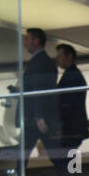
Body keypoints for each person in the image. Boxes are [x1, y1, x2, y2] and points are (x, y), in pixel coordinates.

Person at [22, 27, 60, 162]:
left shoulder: (40, 62)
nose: (24, 43)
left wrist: (39, 117)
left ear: (36, 41)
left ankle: (72, 175)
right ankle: (71, 175)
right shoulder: (40, 61)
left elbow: (40, 89)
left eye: (27, 39)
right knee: (54, 153)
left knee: (55, 154)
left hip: (38, 119)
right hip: (37, 118)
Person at [54, 44, 89, 172]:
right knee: (70, 157)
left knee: (69, 159)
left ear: (69, 56)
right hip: (72, 127)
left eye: (60, 56)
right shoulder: (72, 74)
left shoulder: (72, 76)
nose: (57, 59)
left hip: (71, 127)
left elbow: (67, 103)